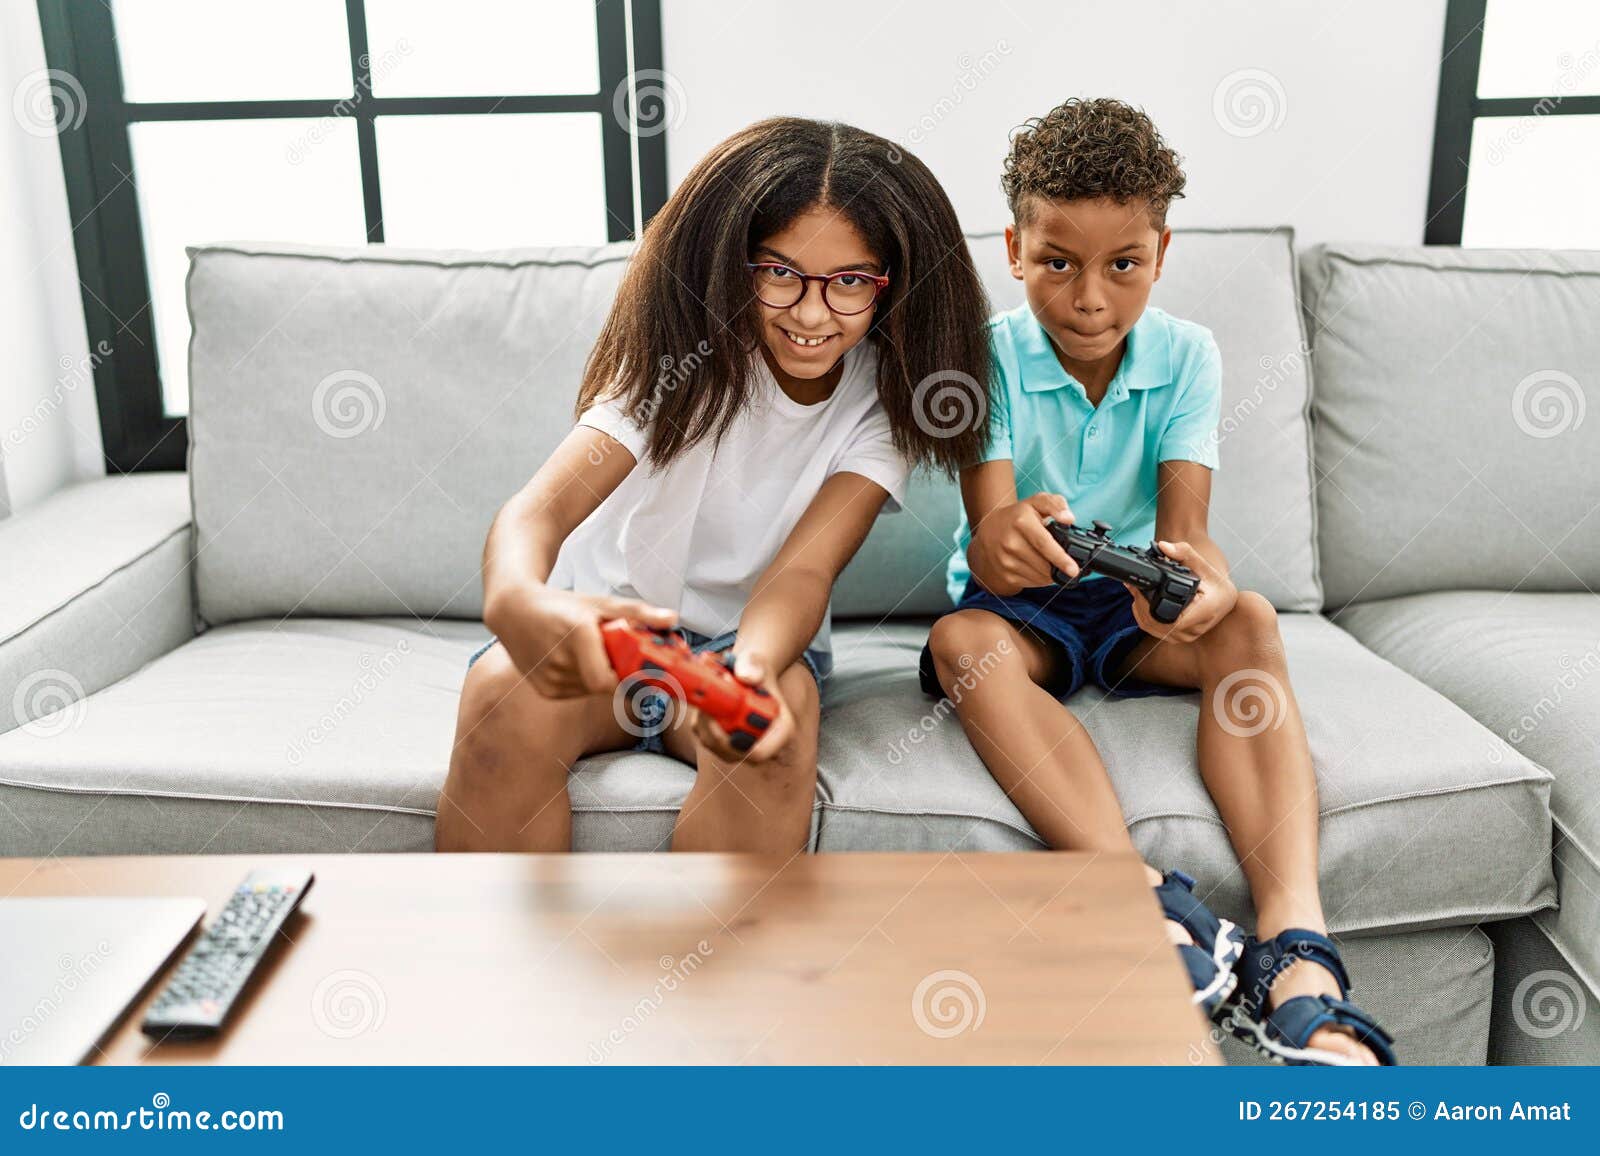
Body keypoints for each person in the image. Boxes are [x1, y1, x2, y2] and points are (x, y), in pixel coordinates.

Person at [921, 98, 1395, 1065]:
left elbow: (1188, 537)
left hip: (1133, 604)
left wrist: (1205, 589)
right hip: (1021, 607)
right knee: (959, 644)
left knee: (1251, 619)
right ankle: (1136, 899)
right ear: (1014, 249)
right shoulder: (981, 353)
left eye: (1122, 265)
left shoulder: (1188, 356)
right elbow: (992, 523)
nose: (1089, 298)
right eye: (1058, 261)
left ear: (1161, 255)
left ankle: (1297, 945)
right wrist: (1010, 538)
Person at [438, 117, 991, 858]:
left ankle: (710, 970)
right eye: (779, 272)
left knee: (776, 719)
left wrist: (752, 669)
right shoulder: (682, 355)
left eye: (851, 282)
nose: (810, 311)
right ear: (737, 264)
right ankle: (504, 966)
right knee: (502, 694)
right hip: (617, 638)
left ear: (892, 285)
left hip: (746, 643)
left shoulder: (883, 400)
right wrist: (518, 601)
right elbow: (538, 511)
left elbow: (804, 570)